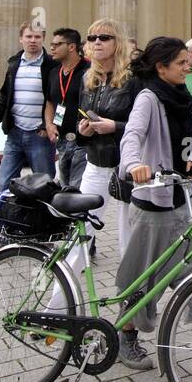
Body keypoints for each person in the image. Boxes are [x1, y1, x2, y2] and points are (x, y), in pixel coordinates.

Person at [116, 37, 192, 372]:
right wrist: (133, 165)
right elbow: (131, 135)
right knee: (142, 280)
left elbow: (191, 138)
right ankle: (125, 336)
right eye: (179, 62)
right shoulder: (148, 98)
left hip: (182, 198)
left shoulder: (184, 95)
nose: (187, 66)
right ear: (161, 67)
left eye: (187, 61)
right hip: (153, 202)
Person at [75, 19, 135, 257]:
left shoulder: (133, 78)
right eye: (92, 38)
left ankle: (133, 293)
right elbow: (81, 114)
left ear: (117, 42)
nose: (96, 42)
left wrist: (115, 127)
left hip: (127, 165)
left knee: (128, 237)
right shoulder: (88, 78)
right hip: (96, 160)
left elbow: (146, 125)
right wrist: (83, 130)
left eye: (104, 37)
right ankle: (61, 294)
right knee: (79, 233)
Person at [0, 22, 56, 193]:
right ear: (21, 39)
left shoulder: (52, 65)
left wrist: (51, 126)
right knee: (4, 183)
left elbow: (59, 100)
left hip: (40, 136)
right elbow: (5, 96)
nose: (33, 40)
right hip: (15, 134)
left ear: (43, 39)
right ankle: (11, 219)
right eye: (29, 36)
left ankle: (42, 219)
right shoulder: (14, 64)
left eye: (37, 37)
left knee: (45, 185)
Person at [45, 27, 90, 190]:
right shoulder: (54, 72)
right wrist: (49, 125)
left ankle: (77, 214)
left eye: (57, 45)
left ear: (71, 47)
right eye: (51, 44)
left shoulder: (90, 71)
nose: (52, 48)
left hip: (83, 140)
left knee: (77, 187)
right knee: (64, 184)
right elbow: (50, 102)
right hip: (62, 139)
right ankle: (67, 215)